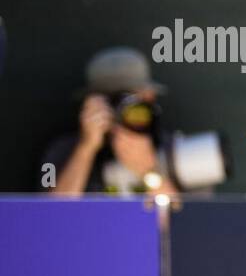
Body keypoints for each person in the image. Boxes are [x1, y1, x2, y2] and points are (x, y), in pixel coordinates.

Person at [41, 47, 183, 197]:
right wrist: (86, 148)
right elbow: (50, 215)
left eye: (132, 101)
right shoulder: (58, 153)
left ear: (150, 98)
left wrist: (148, 170)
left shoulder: (178, 151)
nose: (120, 111)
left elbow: (191, 217)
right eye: (112, 101)